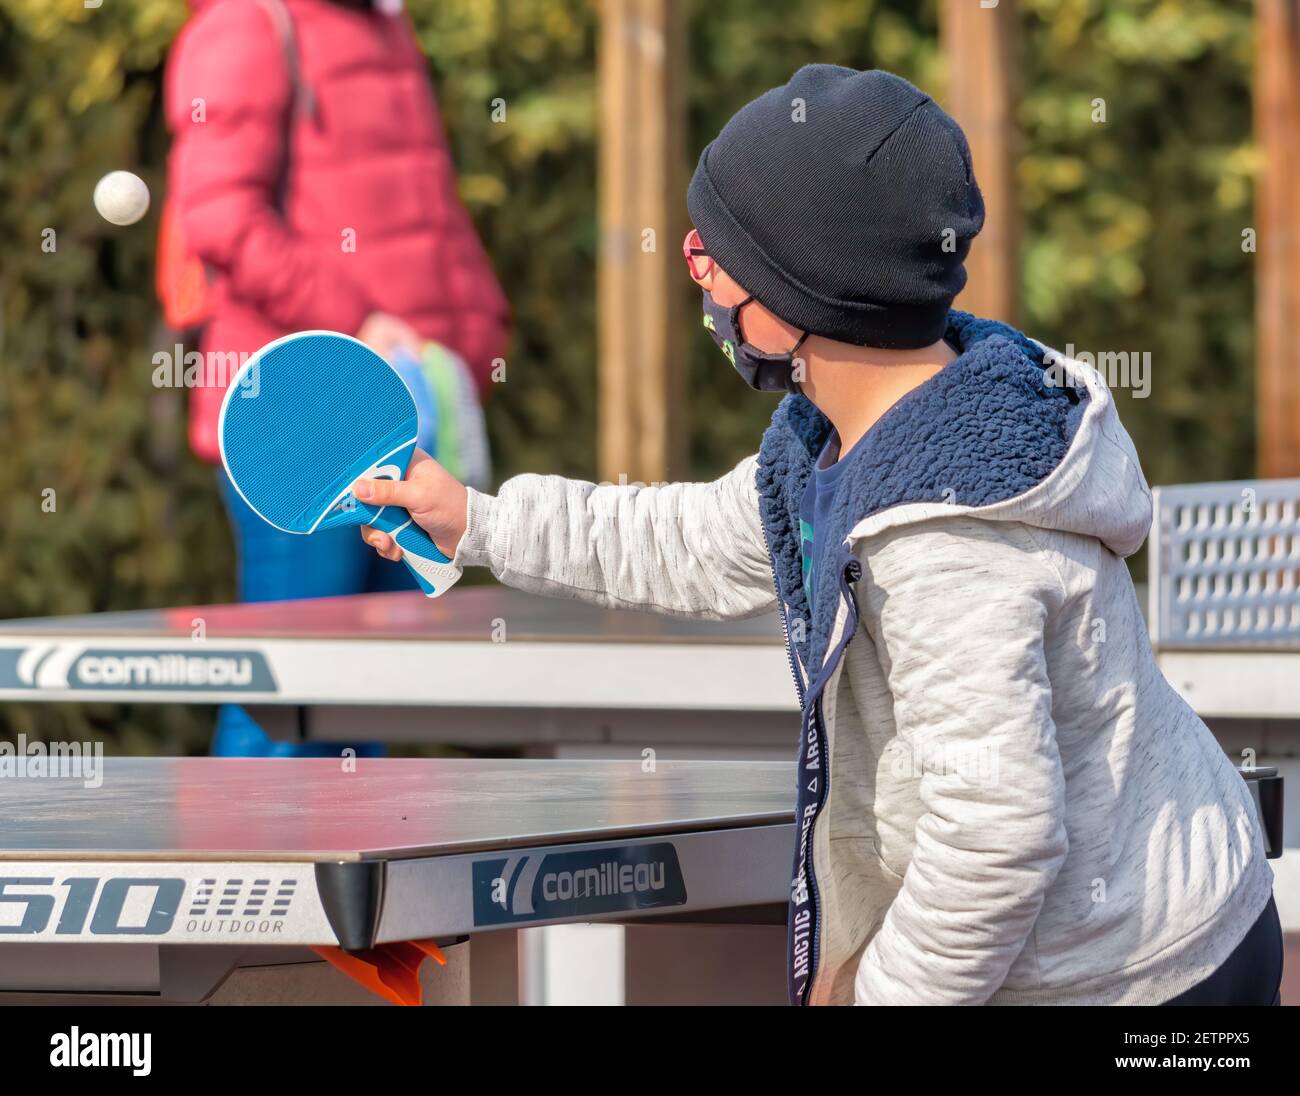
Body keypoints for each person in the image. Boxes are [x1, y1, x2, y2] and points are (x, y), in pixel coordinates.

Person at [354, 66, 1280, 1005]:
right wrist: (480, 520)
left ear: (806, 298)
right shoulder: (842, 435)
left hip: (1147, 977)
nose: (695, 265)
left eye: (718, 252)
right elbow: (693, 542)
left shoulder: (946, 541)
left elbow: (995, 839)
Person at [162, 0, 508, 756]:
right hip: (294, 423)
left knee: (369, 698)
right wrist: (356, 321)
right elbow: (219, 215)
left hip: (398, 423)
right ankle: (252, 874)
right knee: (288, 696)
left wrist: (475, 339)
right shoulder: (247, 26)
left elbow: (428, 210)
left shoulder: (384, 25)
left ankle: (347, 880)